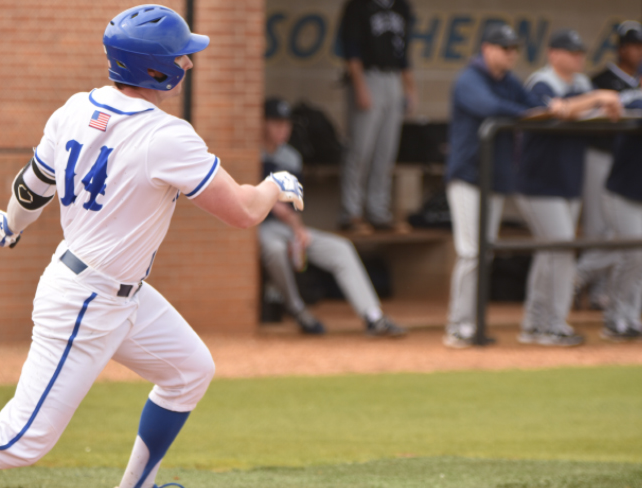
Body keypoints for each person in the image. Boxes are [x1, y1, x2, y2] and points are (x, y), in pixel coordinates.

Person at [0, 6, 305, 488]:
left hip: (120, 293)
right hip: (86, 299)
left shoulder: (75, 109)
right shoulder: (168, 136)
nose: (188, 64)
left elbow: (32, 187)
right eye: (181, 56)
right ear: (155, 69)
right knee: (20, 441)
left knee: (190, 371)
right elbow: (243, 212)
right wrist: (274, 184)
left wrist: (8, 222)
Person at [441, 25, 619, 348]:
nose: (510, 54)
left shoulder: (508, 81)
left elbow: (541, 104)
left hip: (494, 177)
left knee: (484, 253)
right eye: (504, 48)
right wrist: (534, 111)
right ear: (487, 48)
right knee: (472, 253)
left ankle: (481, 324)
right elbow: (491, 107)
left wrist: (549, 108)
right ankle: (459, 326)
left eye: (514, 49)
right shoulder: (470, 78)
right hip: (468, 177)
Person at [259, 98, 406, 337]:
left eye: (286, 123)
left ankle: (373, 317)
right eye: (275, 123)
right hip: (257, 227)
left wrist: (299, 232)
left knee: (341, 248)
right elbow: (270, 205)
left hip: (287, 226)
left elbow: (291, 206)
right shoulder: (249, 153)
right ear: (261, 123)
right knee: (274, 249)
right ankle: (299, 311)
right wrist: (296, 227)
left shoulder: (291, 157)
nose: (283, 129)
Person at [515, 29, 623, 347]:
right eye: (571, 51)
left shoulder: (580, 85)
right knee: (560, 250)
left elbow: (588, 110)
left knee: (549, 253)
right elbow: (556, 109)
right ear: (553, 53)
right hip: (538, 182)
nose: (578, 57)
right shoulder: (541, 81)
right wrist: (598, 98)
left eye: (580, 52)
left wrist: (602, 105)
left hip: (568, 179)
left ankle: (534, 324)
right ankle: (553, 324)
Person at [575, 20, 642, 311]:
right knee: (601, 232)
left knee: (625, 242)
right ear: (622, 48)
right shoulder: (604, 82)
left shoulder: (632, 87)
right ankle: (586, 286)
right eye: (635, 46)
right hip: (601, 157)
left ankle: (610, 298)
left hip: (628, 167)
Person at [336, 0, 415, 235]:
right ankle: (350, 213)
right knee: (360, 149)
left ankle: (378, 211)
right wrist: (360, 86)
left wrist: (410, 87)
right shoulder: (358, 5)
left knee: (386, 150)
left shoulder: (401, 6)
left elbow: (404, 50)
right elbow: (350, 48)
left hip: (394, 80)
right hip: (368, 77)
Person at [599, 77, 642, 342]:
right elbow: (619, 108)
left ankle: (630, 316)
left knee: (638, 258)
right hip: (621, 194)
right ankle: (614, 317)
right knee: (633, 254)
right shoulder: (630, 98)